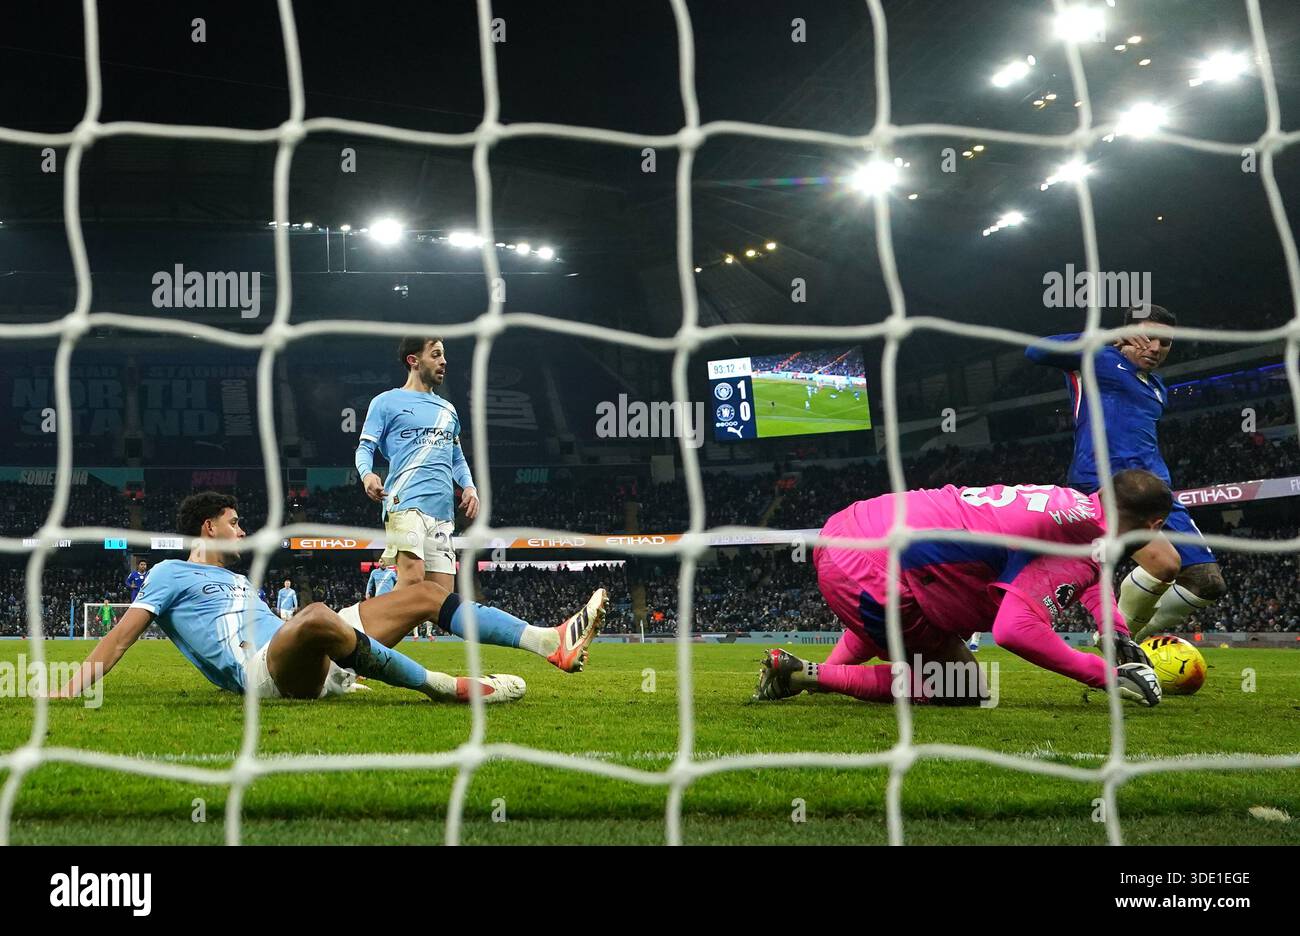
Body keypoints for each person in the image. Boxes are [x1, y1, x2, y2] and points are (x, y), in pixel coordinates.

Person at [53, 492, 607, 704]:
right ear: (209, 527)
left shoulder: (243, 583)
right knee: (317, 616)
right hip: (265, 674)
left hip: (310, 651)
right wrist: (71, 688)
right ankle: (447, 687)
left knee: (420, 593)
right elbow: (120, 635)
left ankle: (547, 641)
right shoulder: (170, 572)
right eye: (235, 522)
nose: (243, 530)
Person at [752, 470, 1169, 707]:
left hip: (850, 531)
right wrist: (1105, 676)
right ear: (1154, 526)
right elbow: (1015, 630)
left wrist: (1116, 633)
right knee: (963, 687)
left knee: (928, 616)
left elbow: (1091, 578)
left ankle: (808, 672)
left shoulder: (1071, 504)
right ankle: (808, 675)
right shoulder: (1083, 539)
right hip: (871, 570)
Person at [355, 336, 598, 670]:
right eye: (436, 355)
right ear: (413, 360)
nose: (444, 362)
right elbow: (364, 447)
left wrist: (469, 487)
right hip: (404, 502)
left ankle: (354, 653)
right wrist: (367, 475)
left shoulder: (447, 410)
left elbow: (456, 456)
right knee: (411, 583)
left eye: (444, 355)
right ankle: (350, 654)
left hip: (441, 515)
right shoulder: (386, 402)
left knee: (440, 602)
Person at [1026, 305, 1226, 642]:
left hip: (1159, 493)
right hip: (1108, 483)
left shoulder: (1158, 388)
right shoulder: (1096, 359)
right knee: (1163, 564)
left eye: (1165, 343)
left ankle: (1123, 637)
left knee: (1207, 583)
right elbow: (1035, 350)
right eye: (1148, 337)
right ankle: (1120, 642)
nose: (1155, 348)